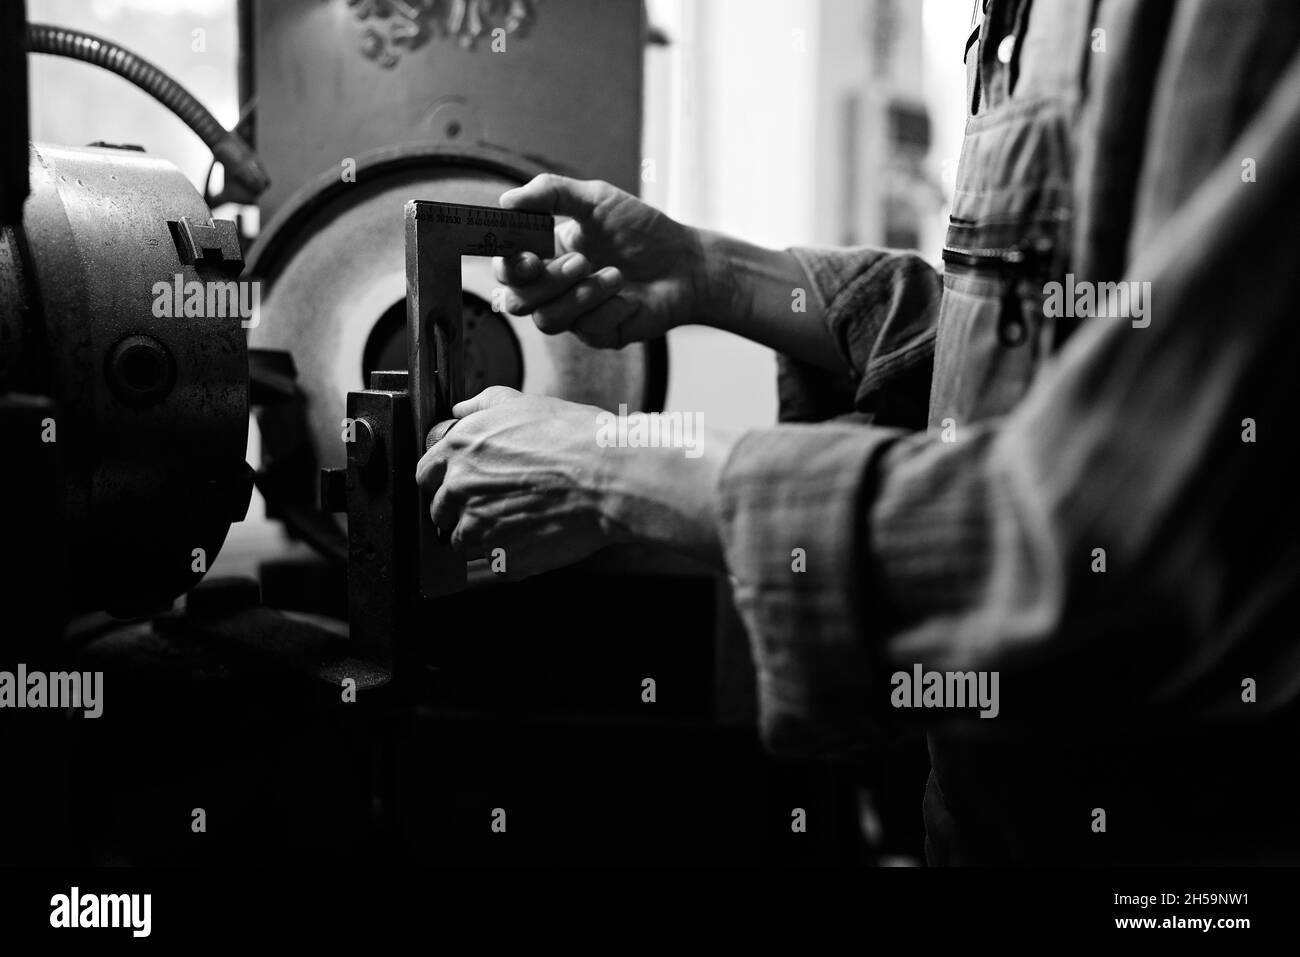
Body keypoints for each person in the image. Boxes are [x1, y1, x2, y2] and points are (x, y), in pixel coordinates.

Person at [416, 0, 1300, 864]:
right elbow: (1007, 354)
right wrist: (709, 270)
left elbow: (1121, 534)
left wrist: (614, 467)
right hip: (976, 812)